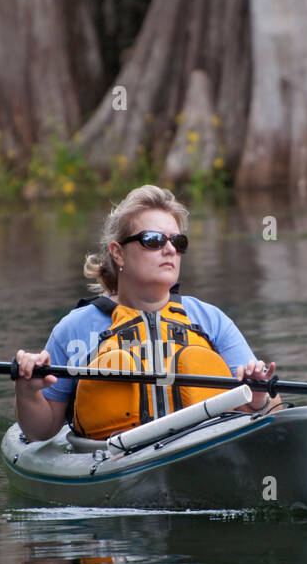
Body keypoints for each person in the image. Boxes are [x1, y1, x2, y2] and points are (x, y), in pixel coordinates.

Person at [14, 185, 279, 442]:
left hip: (202, 451)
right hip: (112, 460)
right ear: (118, 253)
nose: (170, 249)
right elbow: (42, 431)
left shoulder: (210, 321)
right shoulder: (75, 329)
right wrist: (27, 391)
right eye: (153, 240)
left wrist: (258, 399)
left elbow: (272, 410)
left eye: (177, 241)